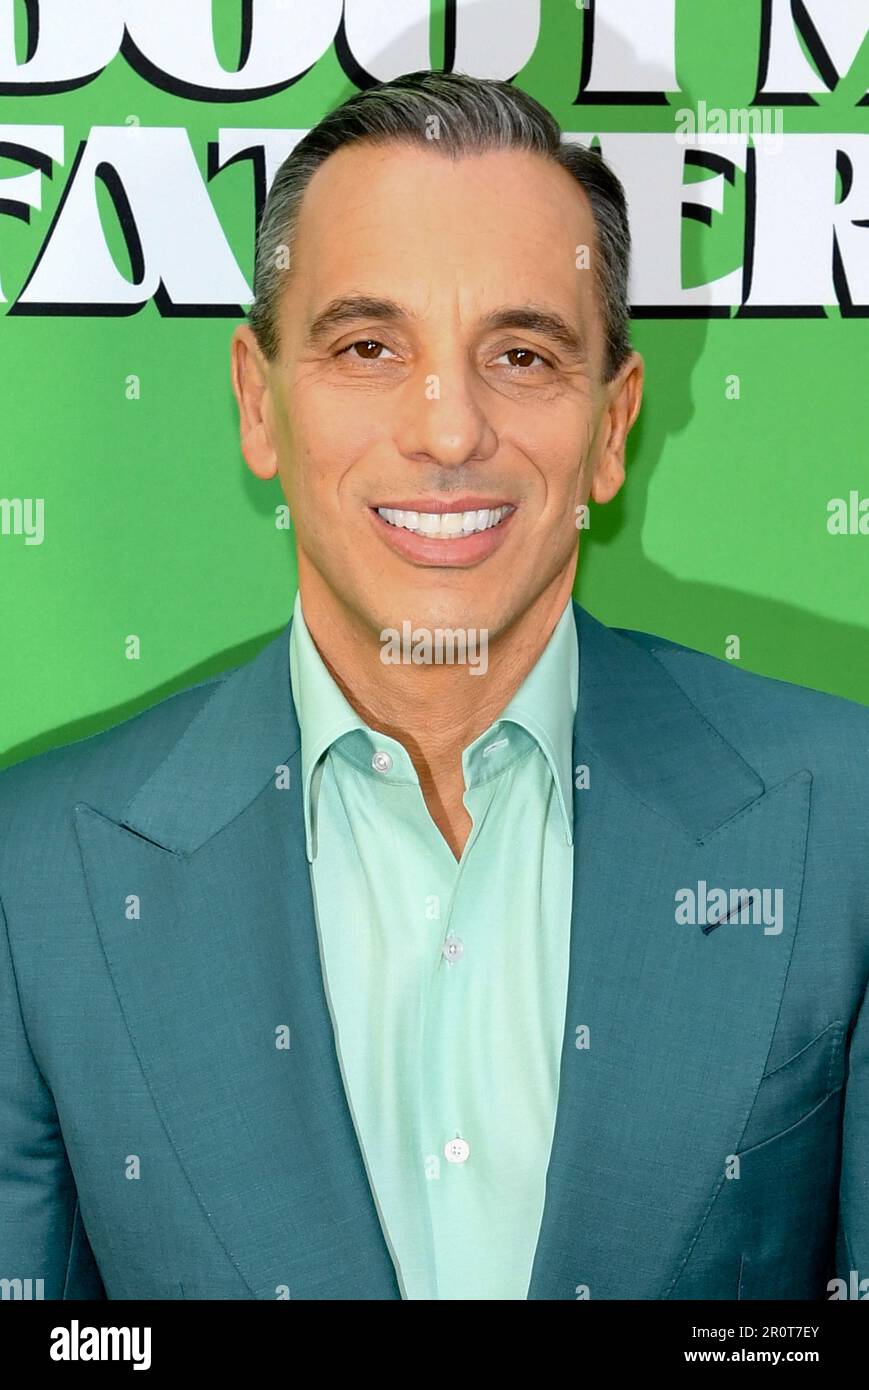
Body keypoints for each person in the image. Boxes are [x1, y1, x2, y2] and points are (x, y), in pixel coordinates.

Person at [1, 70, 867, 1302]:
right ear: (259, 402)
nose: (448, 429)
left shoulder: (843, 827)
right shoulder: (35, 880)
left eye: (519, 352)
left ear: (611, 427)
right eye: (367, 346)